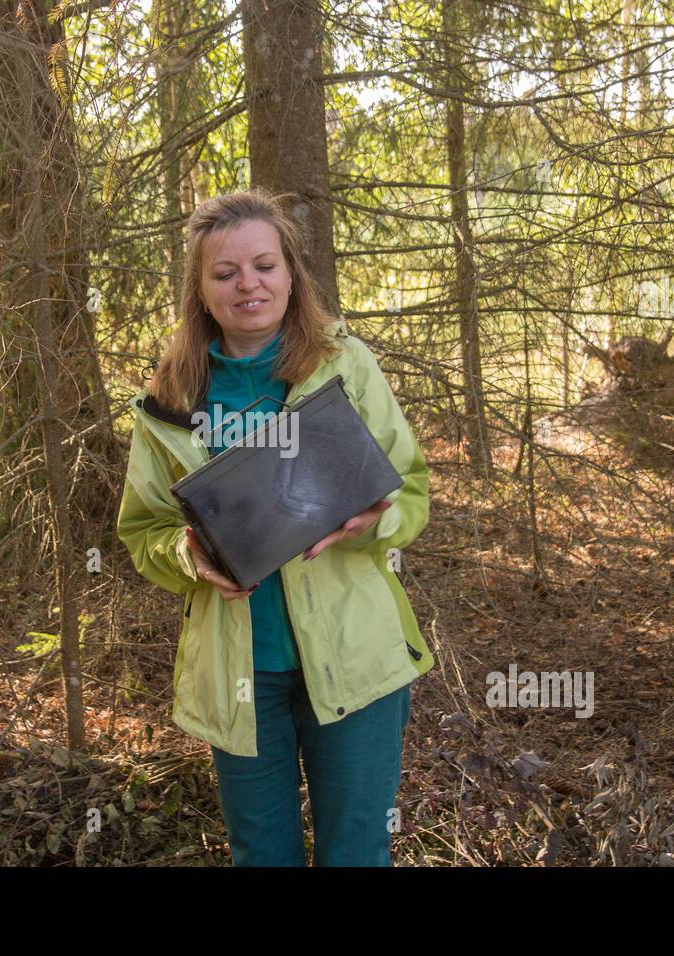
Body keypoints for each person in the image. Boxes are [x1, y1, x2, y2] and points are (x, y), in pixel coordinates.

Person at [116, 188, 434, 866]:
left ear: (291, 272)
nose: (248, 284)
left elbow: (412, 491)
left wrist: (375, 520)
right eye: (225, 273)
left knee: (355, 853)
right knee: (261, 855)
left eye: (264, 265)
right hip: (240, 671)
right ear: (200, 290)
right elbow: (143, 528)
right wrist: (184, 556)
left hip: (353, 661)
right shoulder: (172, 396)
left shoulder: (344, 365)